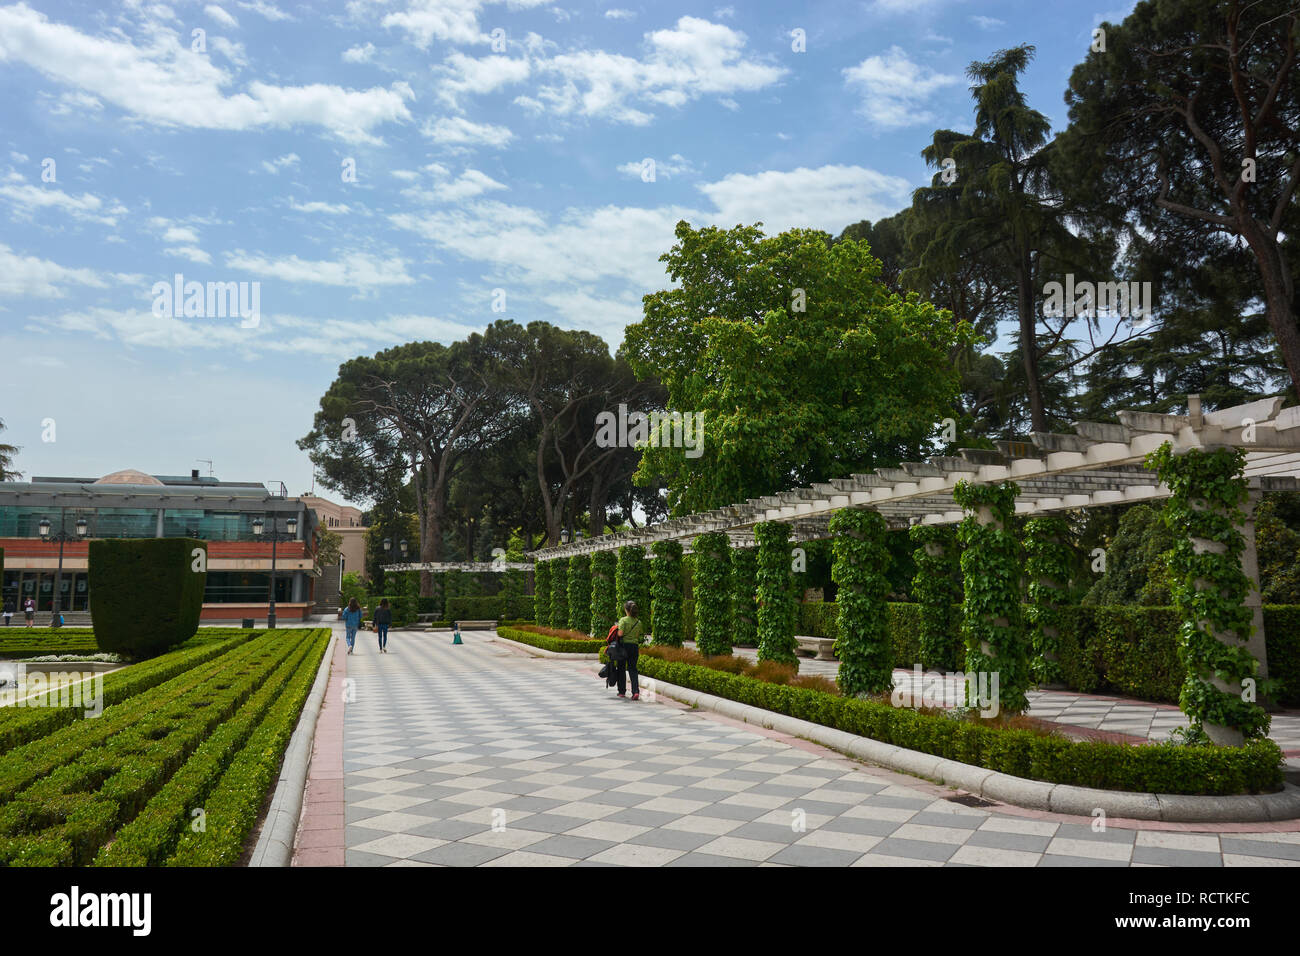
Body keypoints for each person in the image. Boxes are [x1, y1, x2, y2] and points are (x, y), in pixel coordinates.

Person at [613, 600, 646, 700]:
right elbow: (638, 635)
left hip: (623, 646)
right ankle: (635, 691)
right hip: (634, 647)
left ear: (626, 610)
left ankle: (622, 691)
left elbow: (620, 634)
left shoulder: (623, 620)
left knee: (621, 668)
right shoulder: (638, 622)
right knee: (633, 669)